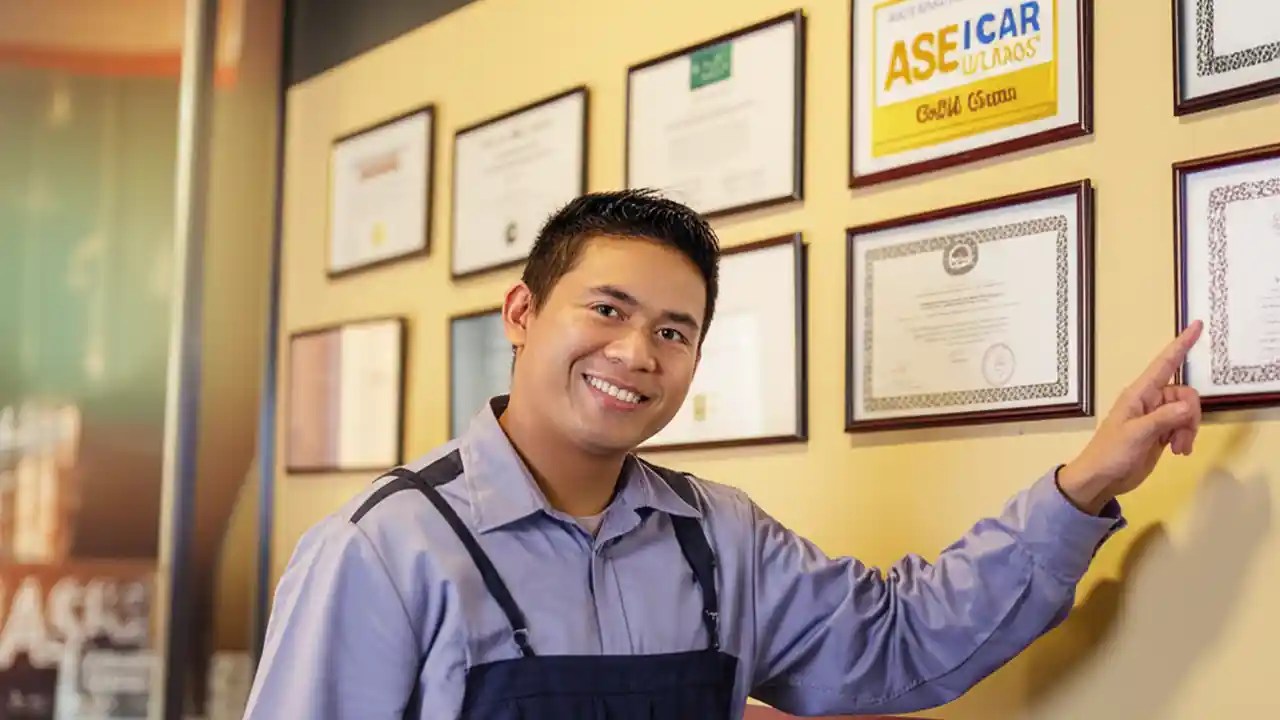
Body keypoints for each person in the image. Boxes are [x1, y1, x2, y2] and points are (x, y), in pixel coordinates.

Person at [242, 189, 1205, 720]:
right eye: (608, 310)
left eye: (674, 330)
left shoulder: (718, 538)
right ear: (524, 314)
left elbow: (902, 643)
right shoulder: (384, 550)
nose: (634, 354)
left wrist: (1087, 484)